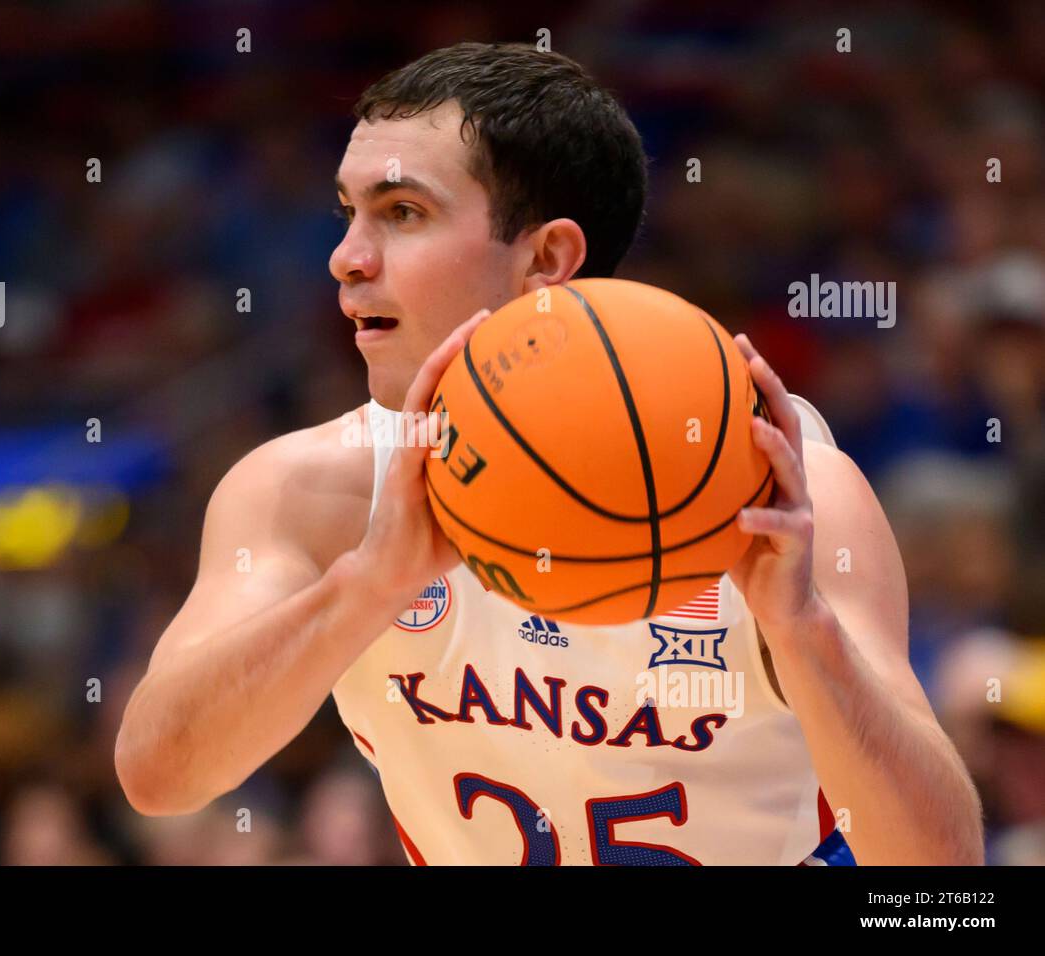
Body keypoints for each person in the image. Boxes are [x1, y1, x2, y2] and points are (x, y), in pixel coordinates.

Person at [115, 42, 983, 865]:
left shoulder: (770, 484)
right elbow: (160, 774)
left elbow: (938, 866)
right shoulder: (311, 488)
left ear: (548, 258)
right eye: (349, 214)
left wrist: (804, 635)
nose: (346, 259)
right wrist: (369, 583)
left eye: (402, 213)